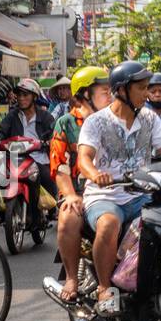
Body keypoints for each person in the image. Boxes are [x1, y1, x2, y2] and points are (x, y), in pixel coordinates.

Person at [77, 61, 161, 315]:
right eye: (141, 88)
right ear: (121, 90)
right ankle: (105, 288)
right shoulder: (96, 122)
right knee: (109, 224)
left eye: (148, 88)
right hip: (106, 195)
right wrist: (96, 174)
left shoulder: (148, 118)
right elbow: (84, 158)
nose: (147, 93)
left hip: (140, 194)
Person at [48, 66, 112, 303]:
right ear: (85, 95)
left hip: (116, 192)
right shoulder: (65, 124)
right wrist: (71, 195)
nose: (110, 96)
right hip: (79, 192)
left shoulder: (115, 119)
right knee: (68, 216)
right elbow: (59, 167)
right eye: (104, 91)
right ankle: (72, 278)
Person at [0, 77, 57, 226]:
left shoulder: (46, 117)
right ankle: (2, 213)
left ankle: (52, 210)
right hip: (14, 157)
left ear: (34, 97)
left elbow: (54, 135)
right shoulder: (12, 115)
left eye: (25, 95)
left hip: (38, 157)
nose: (21, 98)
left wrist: (48, 143)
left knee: (47, 177)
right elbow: (1, 132)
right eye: (19, 95)